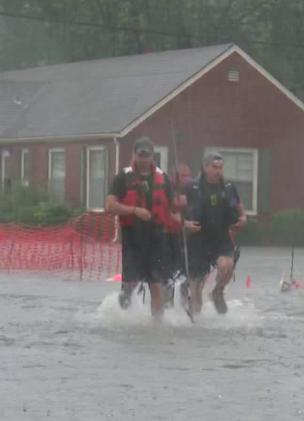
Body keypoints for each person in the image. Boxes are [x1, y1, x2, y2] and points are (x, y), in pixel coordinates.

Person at [105, 137, 177, 320]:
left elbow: (172, 210)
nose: (144, 158)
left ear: (153, 156)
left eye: (148, 155)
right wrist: (134, 210)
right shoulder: (122, 178)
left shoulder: (164, 178)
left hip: (157, 238)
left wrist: (186, 224)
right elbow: (109, 206)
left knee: (157, 284)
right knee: (129, 285)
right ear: (134, 155)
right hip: (133, 238)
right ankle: (121, 318)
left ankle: (157, 325)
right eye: (141, 154)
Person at [183, 152, 247, 315]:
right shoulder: (192, 187)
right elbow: (177, 212)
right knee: (196, 285)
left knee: (227, 265)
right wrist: (186, 224)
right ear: (205, 167)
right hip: (198, 238)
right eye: (214, 167)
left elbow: (238, 207)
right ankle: (195, 320)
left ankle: (217, 292)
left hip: (220, 235)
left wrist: (243, 218)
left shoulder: (228, 187)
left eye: (220, 168)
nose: (218, 171)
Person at [163, 164, 192, 308]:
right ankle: (167, 304)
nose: (187, 179)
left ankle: (185, 303)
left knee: (186, 272)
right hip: (168, 236)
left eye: (189, 176)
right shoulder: (169, 190)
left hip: (184, 237)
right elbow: (171, 209)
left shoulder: (192, 191)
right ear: (176, 177)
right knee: (169, 273)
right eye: (184, 176)